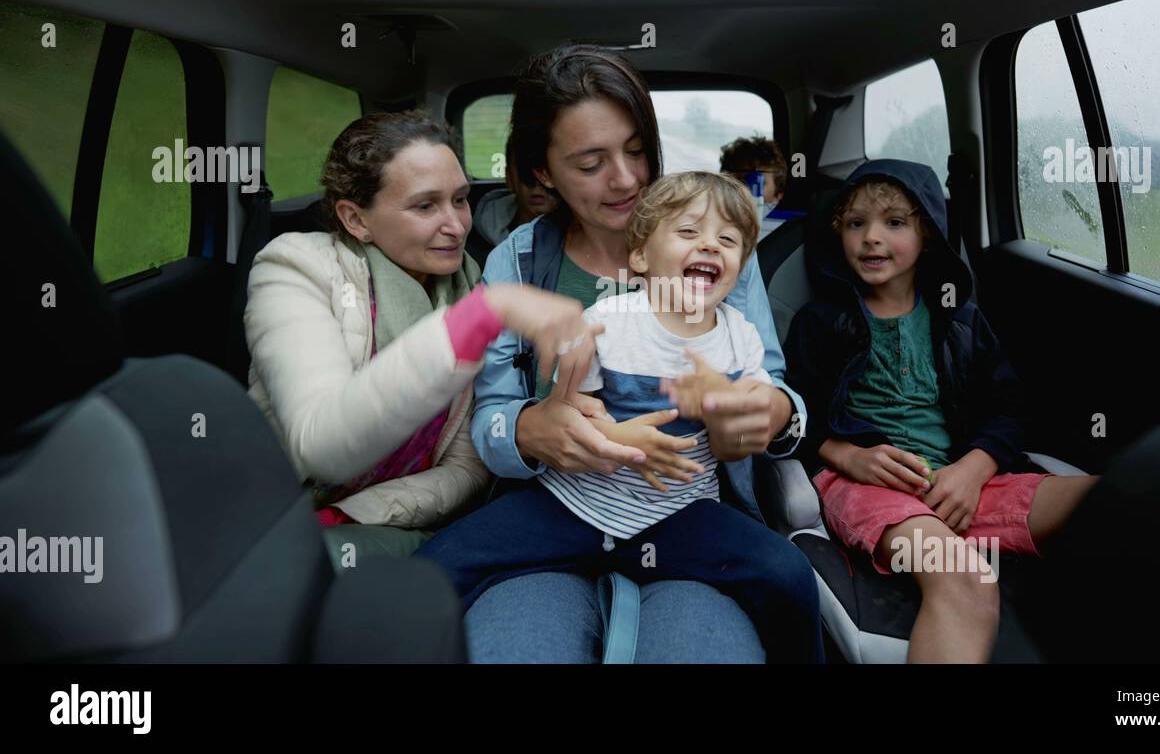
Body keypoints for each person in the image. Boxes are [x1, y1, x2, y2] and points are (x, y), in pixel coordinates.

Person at [467, 44, 809, 663]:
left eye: (635, 150)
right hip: (558, 510)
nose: (625, 179)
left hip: (692, 516)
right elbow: (490, 417)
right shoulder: (514, 263)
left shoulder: (725, 256)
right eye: (590, 162)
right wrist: (528, 428)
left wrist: (766, 414)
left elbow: (773, 387)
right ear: (542, 172)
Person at [419, 172, 822, 663]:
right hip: (576, 503)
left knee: (789, 574)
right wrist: (616, 437)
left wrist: (735, 407)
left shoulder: (740, 337)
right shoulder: (609, 323)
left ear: (741, 266)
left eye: (729, 240)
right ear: (640, 258)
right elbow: (569, 410)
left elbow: (759, 402)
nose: (711, 246)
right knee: (441, 564)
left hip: (681, 513)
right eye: (690, 233)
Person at [243, 110, 599, 571]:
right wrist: (477, 320)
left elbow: (468, 469)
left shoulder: (478, 284)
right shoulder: (296, 268)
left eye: (461, 200)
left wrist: (353, 516)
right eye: (425, 206)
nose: (456, 225)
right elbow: (322, 444)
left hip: (400, 524)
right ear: (355, 219)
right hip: (275, 518)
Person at [784, 158, 1099, 663]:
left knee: (1119, 500)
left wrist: (975, 469)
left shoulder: (959, 320)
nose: (871, 238)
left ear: (927, 233)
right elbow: (791, 414)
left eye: (894, 222)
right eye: (856, 223)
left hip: (957, 483)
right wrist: (846, 455)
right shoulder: (822, 322)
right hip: (869, 490)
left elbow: (1010, 410)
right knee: (968, 580)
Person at [465, 140, 558, 267]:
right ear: (509, 177)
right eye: (525, 171)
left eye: (546, 170)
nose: (537, 183)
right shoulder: (475, 248)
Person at [720, 134, 788, 241]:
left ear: (778, 195)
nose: (744, 188)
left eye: (758, 182)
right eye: (738, 179)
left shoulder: (784, 232)